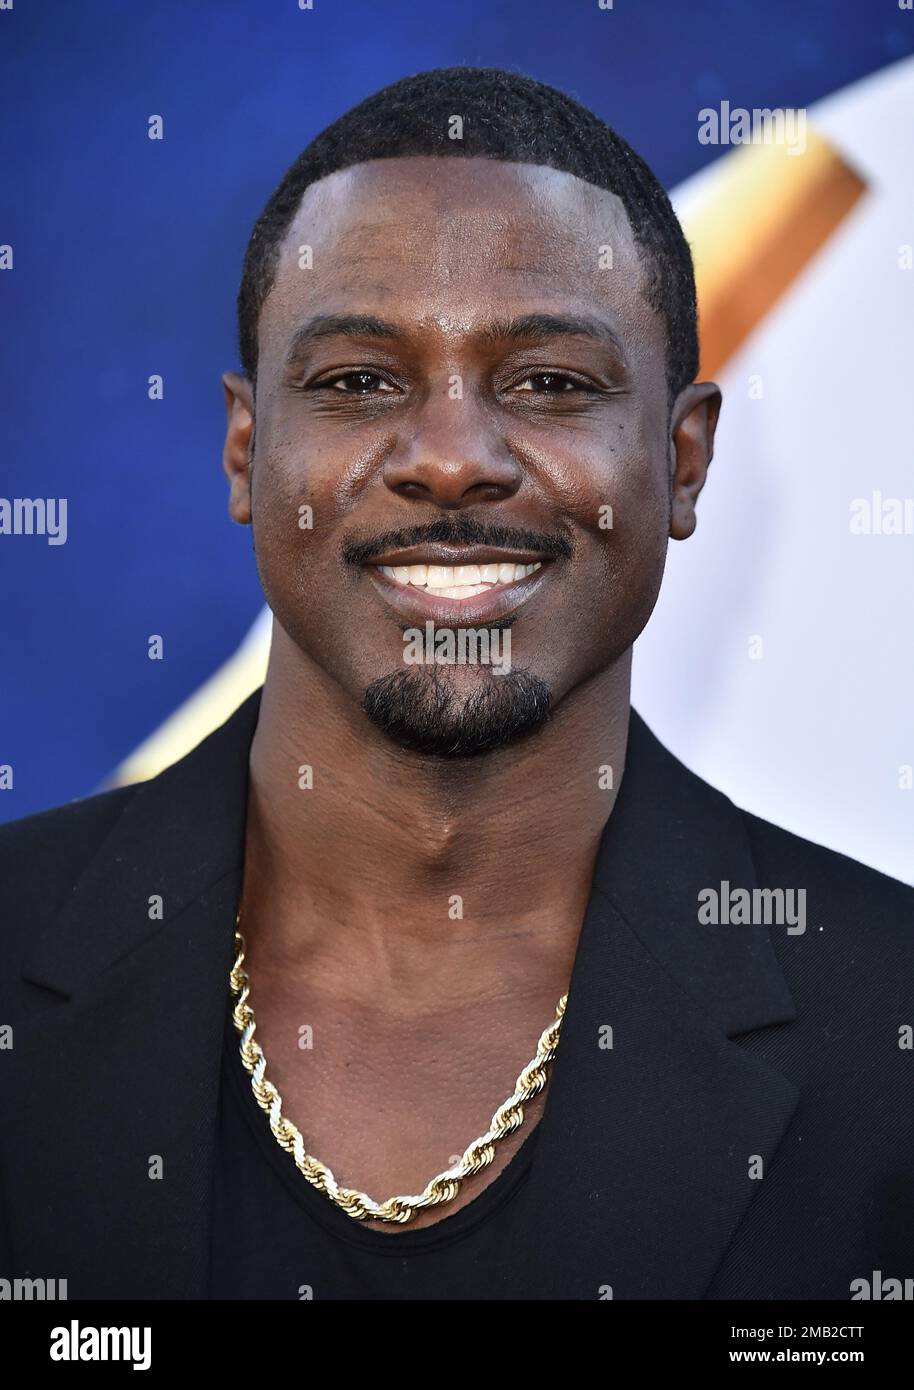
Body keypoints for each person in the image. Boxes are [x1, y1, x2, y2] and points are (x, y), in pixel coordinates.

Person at [1, 66, 911, 1302]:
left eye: (547, 382)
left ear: (682, 459)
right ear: (245, 448)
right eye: (358, 382)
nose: (447, 459)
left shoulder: (887, 1021)